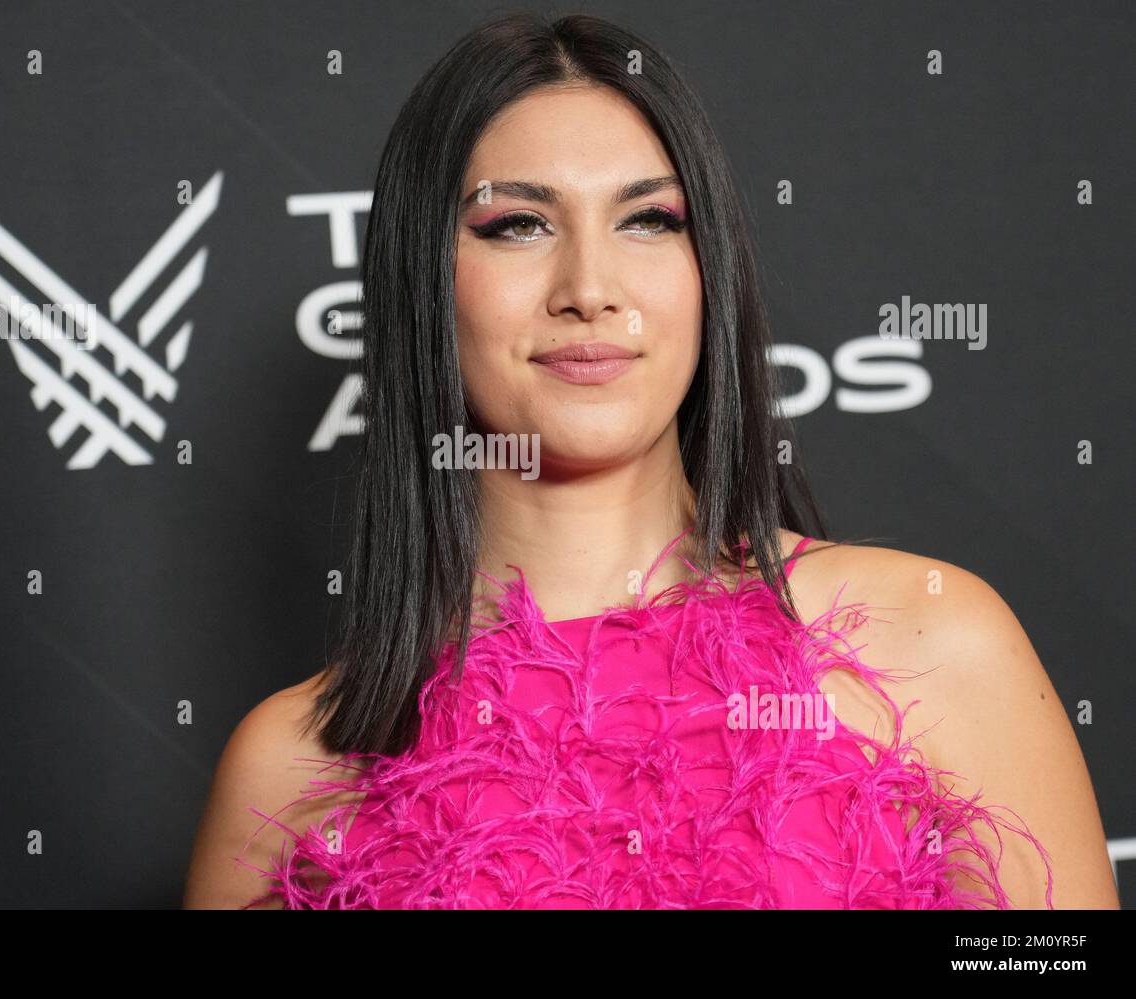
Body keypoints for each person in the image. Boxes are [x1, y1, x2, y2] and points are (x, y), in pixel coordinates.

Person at [183, 12, 1117, 909]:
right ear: (421, 280)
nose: (590, 289)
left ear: (710, 265)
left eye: (649, 220)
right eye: (517, 224)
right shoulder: (293, 773)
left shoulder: (931, 646)